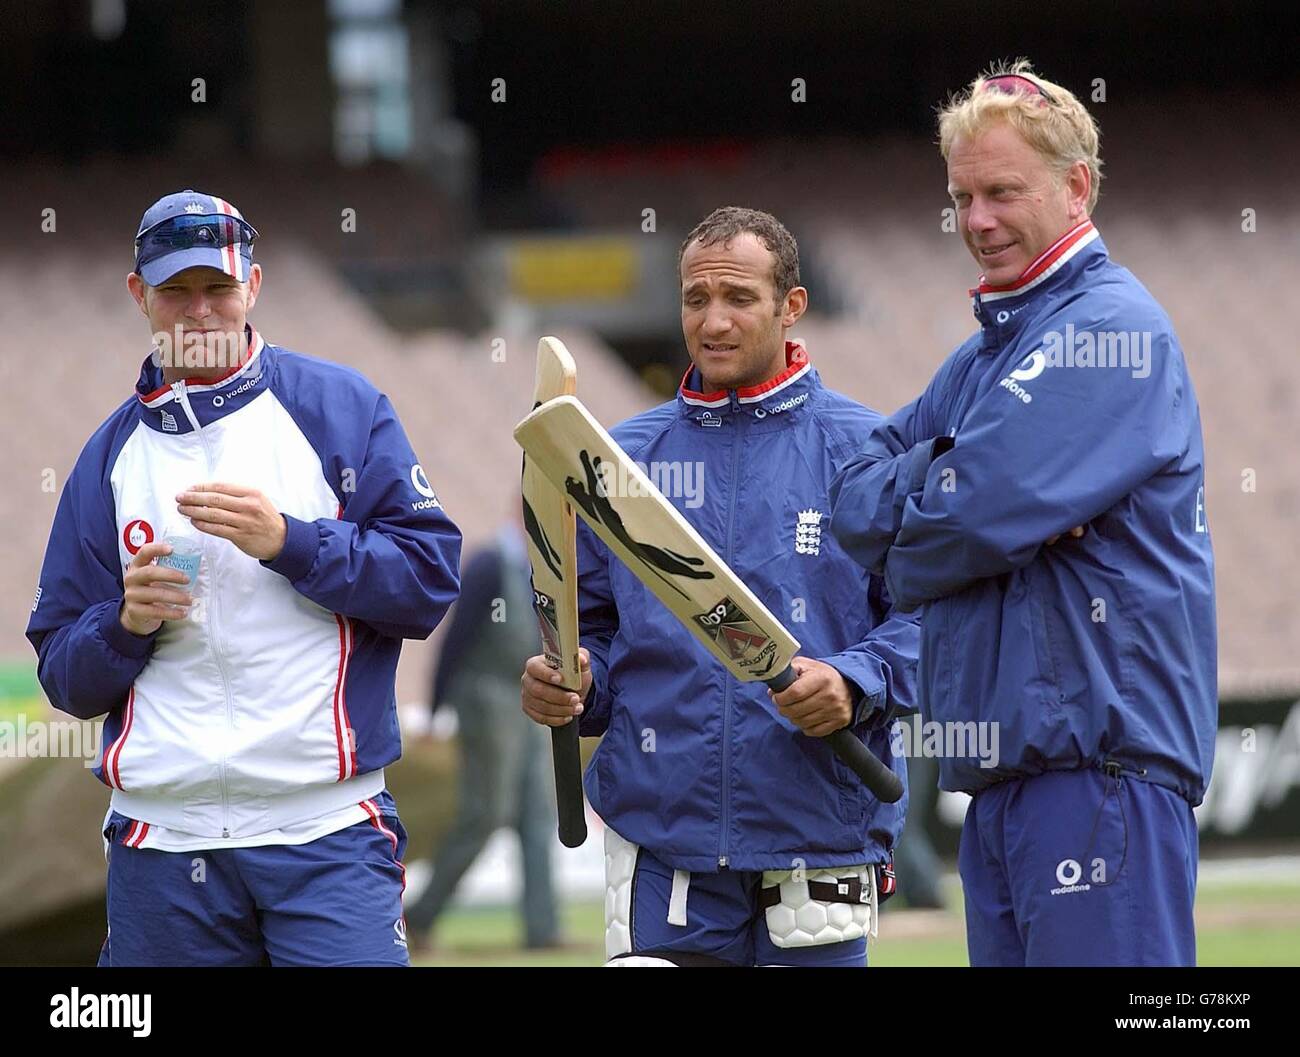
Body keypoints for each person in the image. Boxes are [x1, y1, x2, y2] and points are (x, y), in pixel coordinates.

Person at [828, 61, 1216, 966]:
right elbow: (851, 498)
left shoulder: (1111, 329)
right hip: (1007, 786)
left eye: (1002, 192)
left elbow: (972, 518)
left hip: (1097, 776)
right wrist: (955, 481)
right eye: (962, 196)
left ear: (1076, 187)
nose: (977, 221)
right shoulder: (982, 359)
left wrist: (943, 527)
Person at [25, 189, 462, 966]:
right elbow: (63, 675)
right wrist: (121, 626)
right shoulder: (104, 461)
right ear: (140, 297)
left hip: (324, 833)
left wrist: (295, 543)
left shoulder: (341, 410)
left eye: (218, 289)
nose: (200, 312)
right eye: (176, 292)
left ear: (252, 287)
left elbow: (429, 581)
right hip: (162, 848)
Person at [521, 207, 920, 967]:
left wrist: (854, 678)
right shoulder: (616, 458)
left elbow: (933, 622)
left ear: (790, 305)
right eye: (695, 299)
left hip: (817, 837)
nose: (714, 321)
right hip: (660, 838)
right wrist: (570, 680)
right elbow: (595, 637)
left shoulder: (867, 452)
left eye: (738, 298)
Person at [406, 524, 560, 953]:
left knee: (537, 815)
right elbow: (457, 636)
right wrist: (435, 710)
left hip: (526, 699)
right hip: (486, 698)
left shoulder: (544, 571)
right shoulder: (493, 563)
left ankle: (542, 931)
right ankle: (418, 917)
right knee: (486, 813)